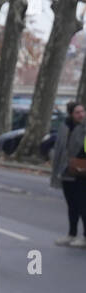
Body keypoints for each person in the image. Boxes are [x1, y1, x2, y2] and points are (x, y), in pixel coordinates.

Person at [50, 101, 86, 248]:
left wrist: (78, 159)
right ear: (71, 114)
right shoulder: (64, 127)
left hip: (82, 171)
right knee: (71, 204)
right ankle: (71, 234)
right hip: (66, 170)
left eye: (83, 111)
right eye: (77, 112)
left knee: (83, 204)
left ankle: (85, 237)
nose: (81, 115)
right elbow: (58, 146)